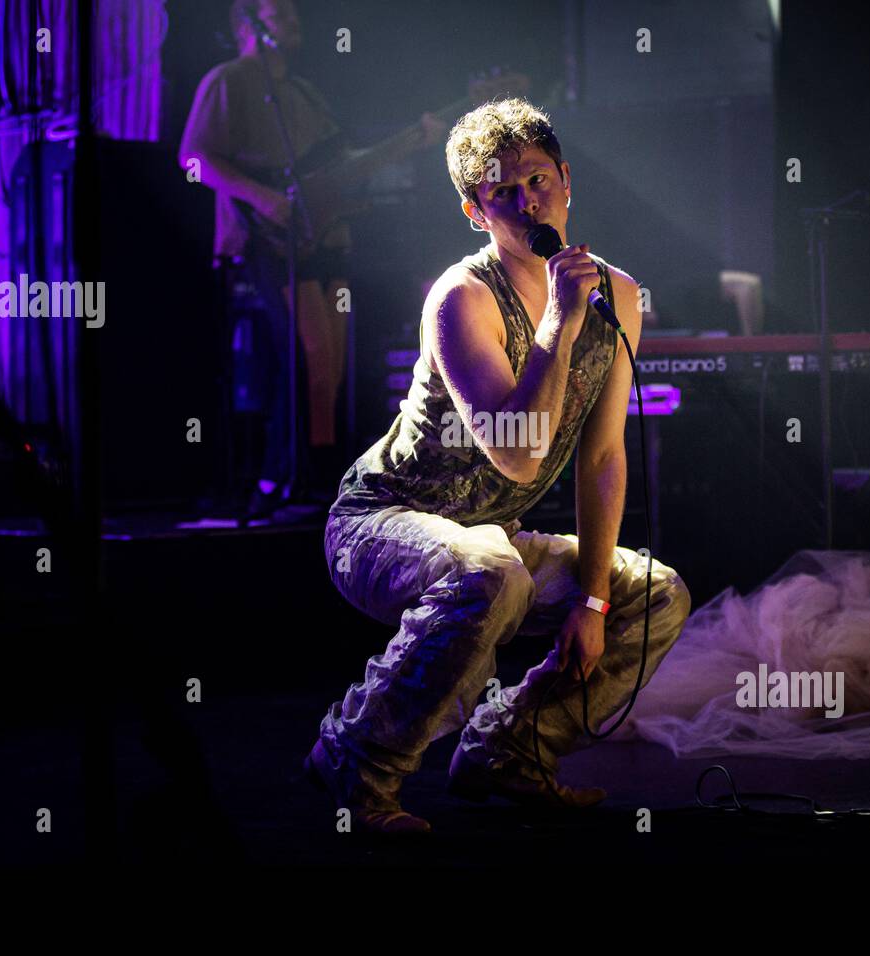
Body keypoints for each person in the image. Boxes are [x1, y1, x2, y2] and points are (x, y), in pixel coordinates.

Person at [306, 98, 692, 835]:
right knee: (490, 572)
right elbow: (517, 452)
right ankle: (355, 763)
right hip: (381, 524)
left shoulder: (616, 294)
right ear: (475, 211)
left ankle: (509, 748)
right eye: (502, 192)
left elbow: (603, 456)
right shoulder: (462, 297)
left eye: (539, 180)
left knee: (655, 595)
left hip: (489, 532)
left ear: (567, 181)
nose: (527, 201)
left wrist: (592, 603)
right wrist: (556, 324)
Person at [178, 0, 444, 519]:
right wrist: (265, 199)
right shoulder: (227, 80)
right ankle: (280, 477)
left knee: (332, 367)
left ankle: (318, 475)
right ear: (248, 25)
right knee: (312, 355)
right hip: (267, 239)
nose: (294, 20)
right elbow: (193, 157)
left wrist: (416, 139)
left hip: (322, 237)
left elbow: (337, 168)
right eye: (279, 14)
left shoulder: (301, 92)